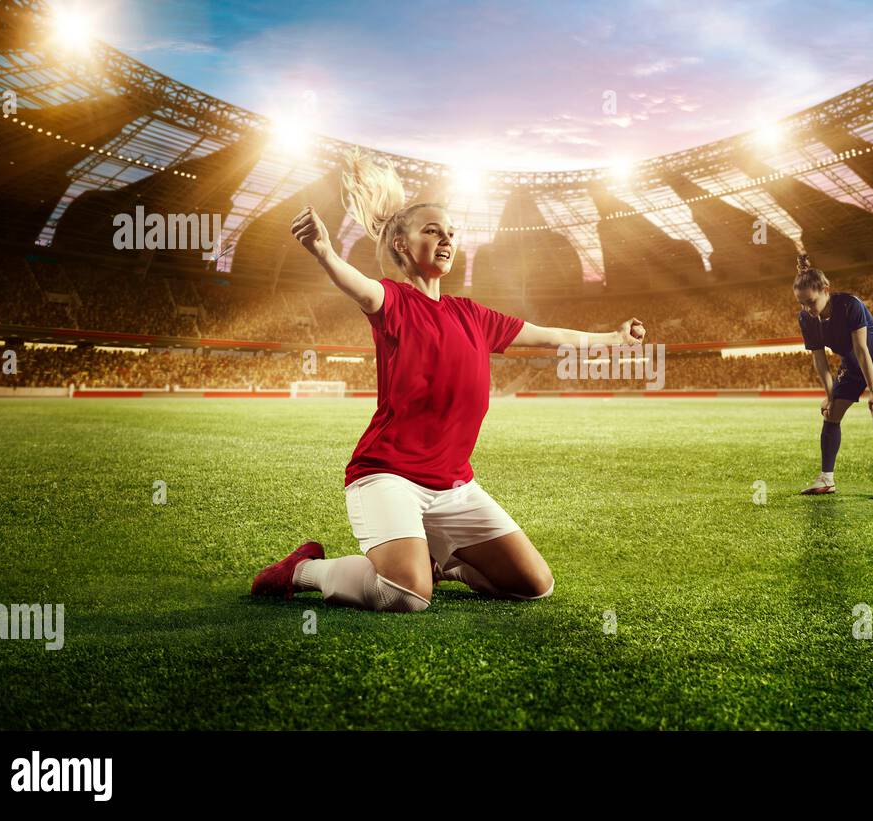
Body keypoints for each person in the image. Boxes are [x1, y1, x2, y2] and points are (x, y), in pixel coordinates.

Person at [252, 149, 646, 612]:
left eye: (451, 233)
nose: (446, 239)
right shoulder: (393, 300)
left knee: (534, 584)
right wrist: (324, 253)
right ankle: (304, 569)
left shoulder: (472, 314)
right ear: (401, 244)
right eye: (432, 230)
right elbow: (357, 284)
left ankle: (443, 563)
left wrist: (613, 338)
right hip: (387, 475)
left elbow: (548, 335)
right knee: (406, 595)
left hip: (454, 487)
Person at [793, 257, 873, 500]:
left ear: (825, 290)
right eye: (801, 304)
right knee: (831, 413)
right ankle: (826, 479)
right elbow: (819, 360)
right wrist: (830, 397)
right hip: (852, 365)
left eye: (811, 302)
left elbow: (862, 350)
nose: (807, 308)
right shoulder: (806, 318)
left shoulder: (850, 304)